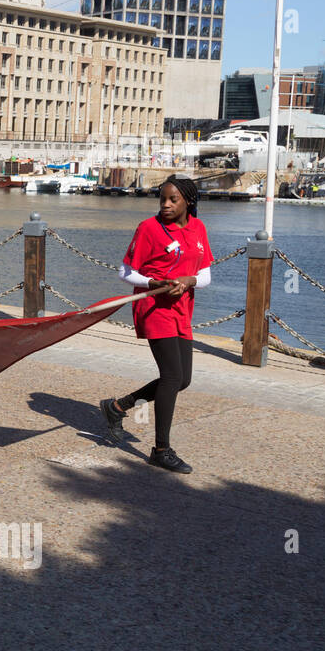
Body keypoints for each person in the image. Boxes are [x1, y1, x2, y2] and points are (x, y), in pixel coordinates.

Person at [100, 175, 214, 474]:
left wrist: (189, 280)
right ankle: (161, 450)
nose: (165, 204)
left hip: (182, 310)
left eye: (173, 199)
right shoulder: (148, 228)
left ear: (188, 201)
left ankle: (117, 407)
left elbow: (205, 276)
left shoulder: (199, 228)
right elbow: (126, 272)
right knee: (172, 376)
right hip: (153, 307)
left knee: (182, 380)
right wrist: (153, 282)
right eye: (162, 198)